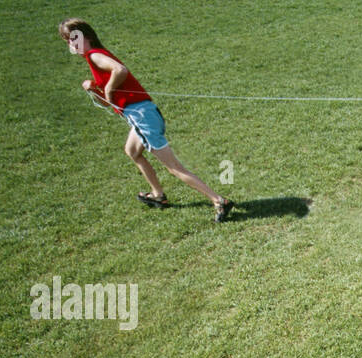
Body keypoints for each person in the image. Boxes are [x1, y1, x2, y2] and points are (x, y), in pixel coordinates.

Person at [60, 19, 234, 221]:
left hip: (142, 116)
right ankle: (158, 195)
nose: (71, 45)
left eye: (73, 39)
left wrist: (107, 89)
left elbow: (120, 71)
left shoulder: (95, 55)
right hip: (144, 114)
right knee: (132, 151)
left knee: (174, 167)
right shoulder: (96, 58)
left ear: (85, 37)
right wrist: (94, 89)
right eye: (68, 41)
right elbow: (111, 103)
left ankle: (219, 200)